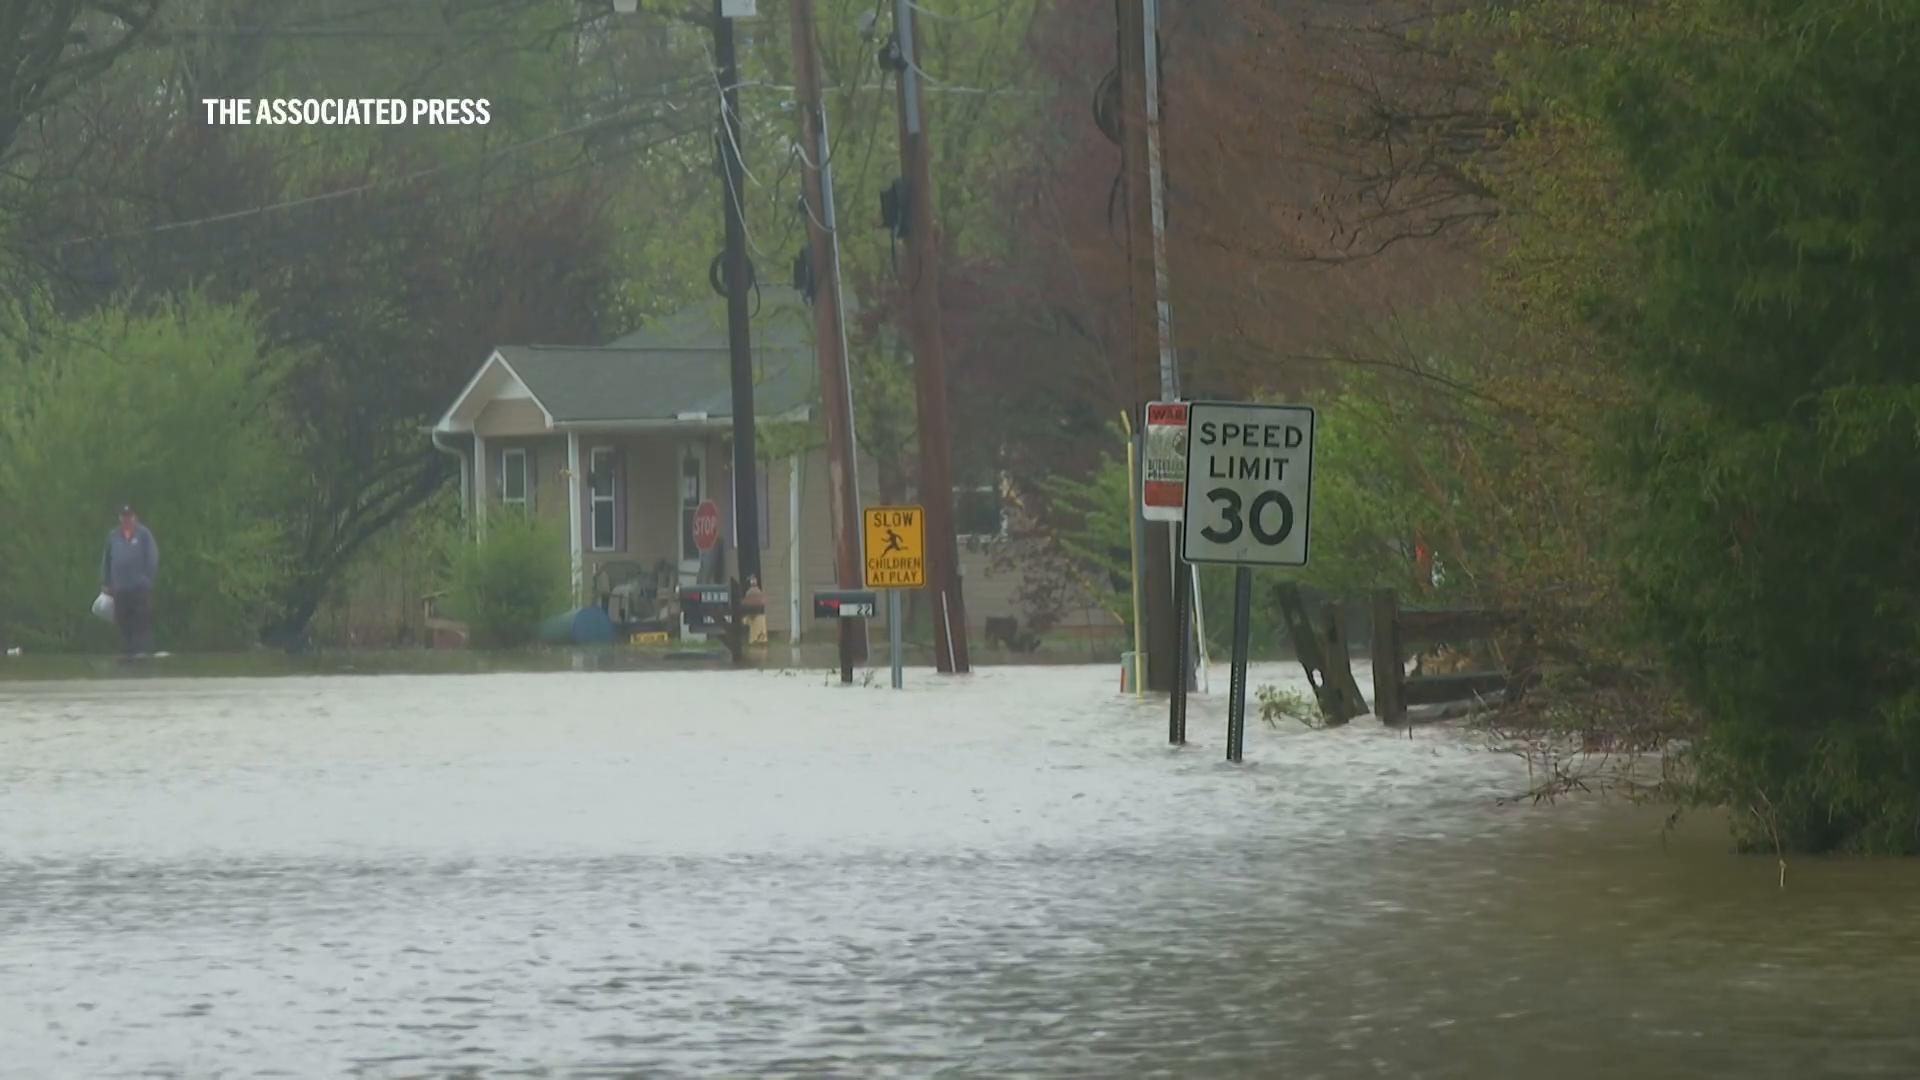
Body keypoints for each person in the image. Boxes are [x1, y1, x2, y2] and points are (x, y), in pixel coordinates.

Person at [101, 504, 159, 657]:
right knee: (122, 620)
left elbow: (152, 558)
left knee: (140, 620)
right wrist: (106, 582)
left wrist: (147, 578)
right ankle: (127, 652)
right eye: (124, 517)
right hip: (119, 587)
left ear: (134, 518)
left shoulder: (143, 534)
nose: (126, 520)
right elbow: (107, 560)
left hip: (139, 587)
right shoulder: (113, 535)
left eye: (129, 517)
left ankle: (141, 651)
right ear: (120, 518)